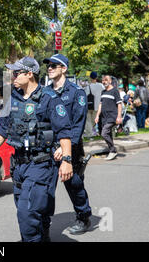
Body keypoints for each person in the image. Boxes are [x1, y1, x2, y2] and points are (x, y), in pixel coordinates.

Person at [0, 56, 73, 242]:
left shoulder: (50, 99)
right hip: (18, 165)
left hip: (40, 164)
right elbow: (3, 128)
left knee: (27, 213)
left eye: (16, 73)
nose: (13, 77)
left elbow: (64, 132)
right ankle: (42, 235)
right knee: (31, 210)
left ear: (29, 74)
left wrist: (67, 160)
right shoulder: (14, 98)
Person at [43, 54, 92, 235]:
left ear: (64, 68)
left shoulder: (76, 92)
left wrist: (65, 150)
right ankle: (44, 224)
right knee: (46, 189)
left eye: (54, 65)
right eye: (48, 65)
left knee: (74, 185)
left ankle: (83, 216)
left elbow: (77, 125)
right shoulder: (45, 92)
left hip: (70, 148)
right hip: (49, 149)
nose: (49, 68)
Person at [95, 75, 122, 161]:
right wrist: (97, 115)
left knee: (104, 133)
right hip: (104, 117)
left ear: (110, 81)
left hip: (112, 116)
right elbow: (100, 104)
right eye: (103, 80)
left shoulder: (115, 91)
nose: (104, 82)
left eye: (106, 80)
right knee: (108, 134)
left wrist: (119, 116)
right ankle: (111, 151)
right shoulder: (103, 92)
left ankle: (113, 150)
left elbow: (119, 104)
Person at [84, 71, 104, 137]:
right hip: (98, 106)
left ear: (90, 77)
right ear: (96, 77)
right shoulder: (101, 86)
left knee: (88, 120)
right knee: (93, 121)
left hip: (89, 106)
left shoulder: (88, 87)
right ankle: (92, 132)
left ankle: (89, 134)